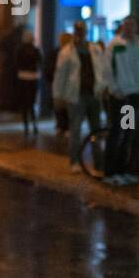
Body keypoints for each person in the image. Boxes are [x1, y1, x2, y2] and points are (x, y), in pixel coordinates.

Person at [102, 16, 139, 186]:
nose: (130, 29)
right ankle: (111, 172)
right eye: (127, 25)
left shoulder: (138, 45)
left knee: (126, 133)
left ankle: (121, 170)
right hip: (122, 96)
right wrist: (115, 90)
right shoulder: (115, 45)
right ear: (123, 27)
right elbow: (107, 69)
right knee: (118, 133)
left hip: (132, 95)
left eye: (132, 26)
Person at [54, 21, 103, 172]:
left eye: (82, 30)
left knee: (96, 130)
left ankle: (98, 163)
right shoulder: (67, 52)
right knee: (75, 129)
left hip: (93, 94)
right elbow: (60, 74)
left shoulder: (95, 49)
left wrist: (104, 87)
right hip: (76, 95)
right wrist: (58, 96)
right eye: (77, 30)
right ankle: (74, 161)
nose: (80, 33)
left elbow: (102, 69)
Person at [14, 27, 42, 140]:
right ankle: (34, 125)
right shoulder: (36, 50)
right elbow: (40, 62)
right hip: (34, 78)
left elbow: (16, 63)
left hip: (22, 78)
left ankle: (26, 127)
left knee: (25, 104)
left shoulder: (19, 50)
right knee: (32, 103)